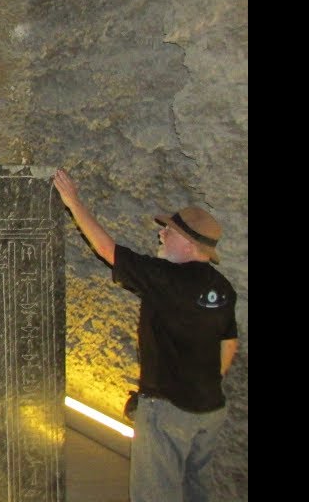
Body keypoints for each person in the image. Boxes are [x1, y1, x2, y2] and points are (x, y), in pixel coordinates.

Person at [52, 168, 237, 502]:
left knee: (155, 493)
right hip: (210, 410)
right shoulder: (221, 288)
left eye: (170, 231)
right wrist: (201, 384)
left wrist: (73, 202)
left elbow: (108, 250)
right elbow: (228, 344)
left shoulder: (167, 279)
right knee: (196, 489)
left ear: (191, 245)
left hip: (168, 410)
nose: (162, 235)